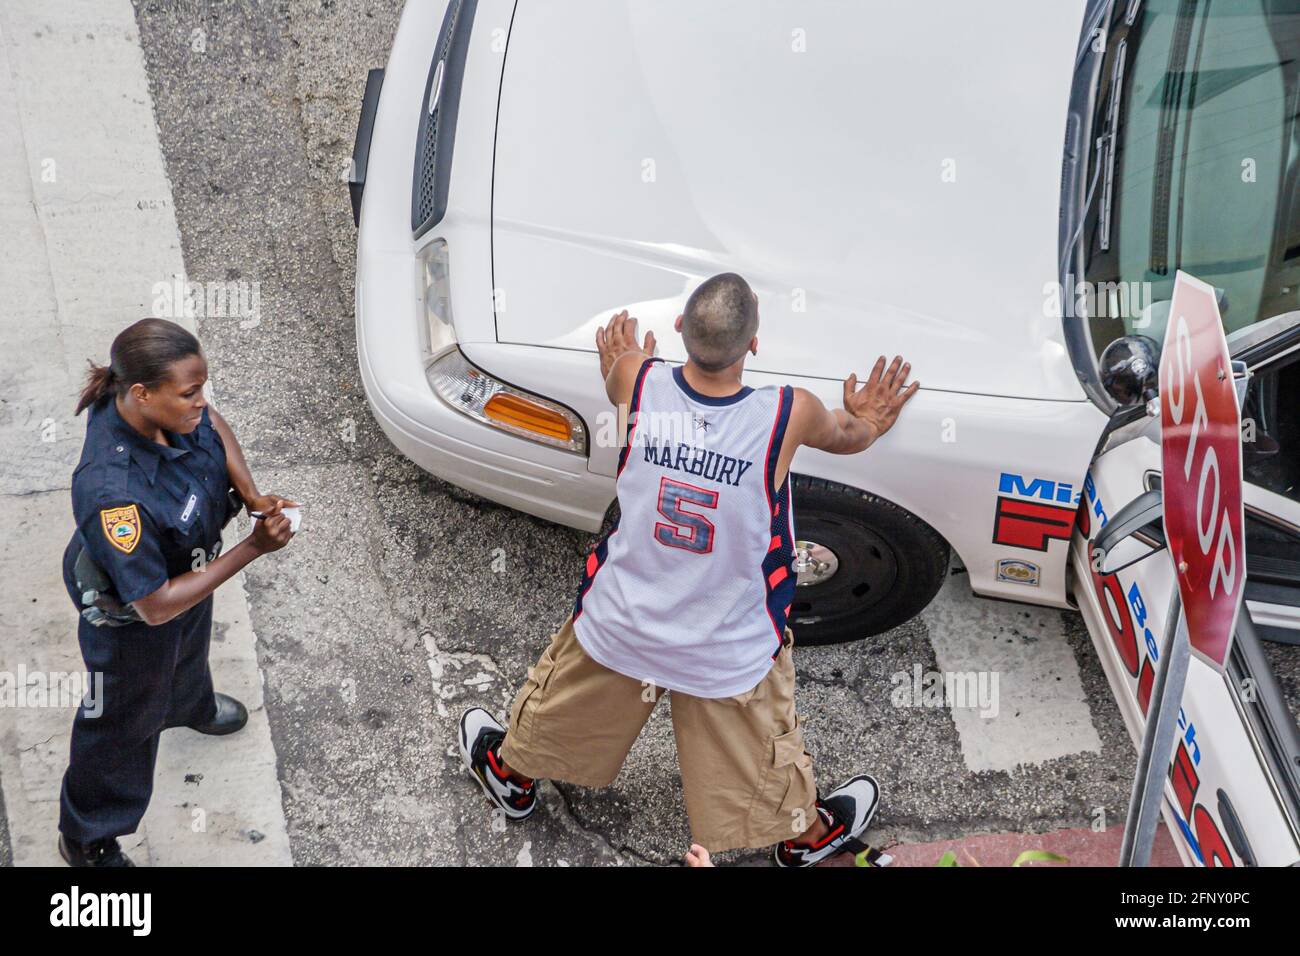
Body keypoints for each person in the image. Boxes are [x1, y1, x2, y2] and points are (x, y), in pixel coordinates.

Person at [460, 273, 918, 866]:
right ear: (754, 345)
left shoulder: (637, 381)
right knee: (761, 749)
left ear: (678, 329)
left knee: (565, 708)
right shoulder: (788, 413)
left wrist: (625, 355)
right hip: (725, 642)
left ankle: (508, 773)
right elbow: (850, 435)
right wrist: (871, 418)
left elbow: (617, 369)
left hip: (623, 620)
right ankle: (805, 838)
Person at [58, 318, 296, 867]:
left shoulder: (167, 411)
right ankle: (89, 833)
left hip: (186, 565)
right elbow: (156, 604)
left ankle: (187, 704)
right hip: (133, 610)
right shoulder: (112, 492)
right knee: (120, 721)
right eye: (189, 393)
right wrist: (254, 547)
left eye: (200, 388)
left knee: (189, 646)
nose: (201, 403)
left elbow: (213, 423)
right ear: (141, 393)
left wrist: (252, 495)